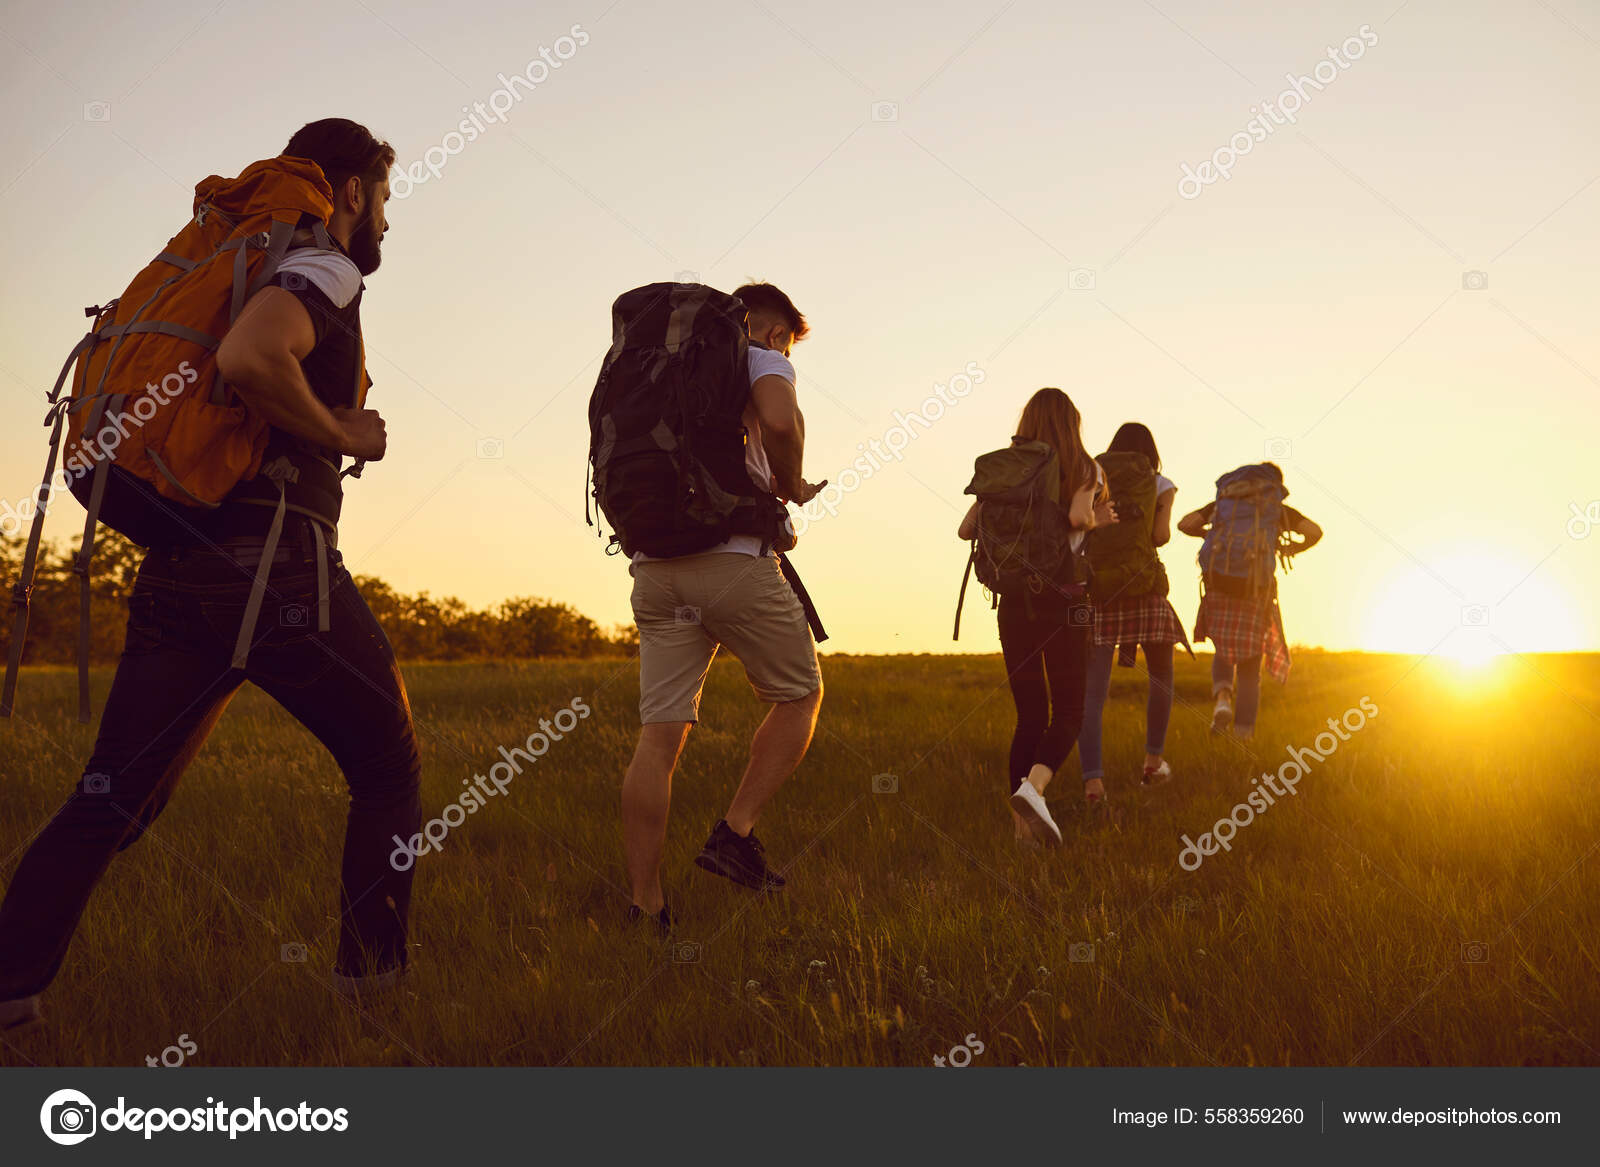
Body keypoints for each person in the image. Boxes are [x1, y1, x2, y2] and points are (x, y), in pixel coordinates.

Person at [0, 119, 417, 1035]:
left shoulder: (228, 253)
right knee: (389, 766)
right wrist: (347, 431)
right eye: (385, 199)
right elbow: (249, 356)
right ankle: (374, 1005)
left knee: (115, 794)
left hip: (181, 571)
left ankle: (6, 989)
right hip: (281, 574)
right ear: (350, 191)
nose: (386, 220)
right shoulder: (321, 263)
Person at [618, 282, 825, 934]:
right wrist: (790, 483)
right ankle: (734, 834)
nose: (784, 352)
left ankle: (646, 903)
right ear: (773, 331)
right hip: (731, 560)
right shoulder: (759, 350)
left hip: (654, 568)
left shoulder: (654, 370)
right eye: (787, 343)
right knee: (799, 696)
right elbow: (781, 418)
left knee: (659, 738)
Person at [958, 387, 1114, 847]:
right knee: (1068, 709)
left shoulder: (1005, 470)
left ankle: (1020, 832)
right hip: (1063, 601)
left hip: (1013, 605)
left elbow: (966, 529)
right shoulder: (1085, 467)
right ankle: (1035, 788)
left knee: (1029, 716)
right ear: (1073, 424)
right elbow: (1080, 516)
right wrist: (1096, 520)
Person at [1079, 423, 1193, 790]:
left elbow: (1081, 531)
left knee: (1092, 694)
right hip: (1144, 588)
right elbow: (1159, 536)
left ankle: (1093, 785)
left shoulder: (1092, 477)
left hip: (1101, 591)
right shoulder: (1161, 483)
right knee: (1161, 676)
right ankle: (1152, 765)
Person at [1177, 462, 1322, 739]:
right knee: (1249, 668)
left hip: (1218, 584)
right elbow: (1315, 531)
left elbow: (1185, 524)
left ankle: (1221, 700)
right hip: (1255, 590)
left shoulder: (1223, 504)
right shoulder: (1276, 510)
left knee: (1223, 646)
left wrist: (1210, 533)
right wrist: (1293, 547)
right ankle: (1243, 736)